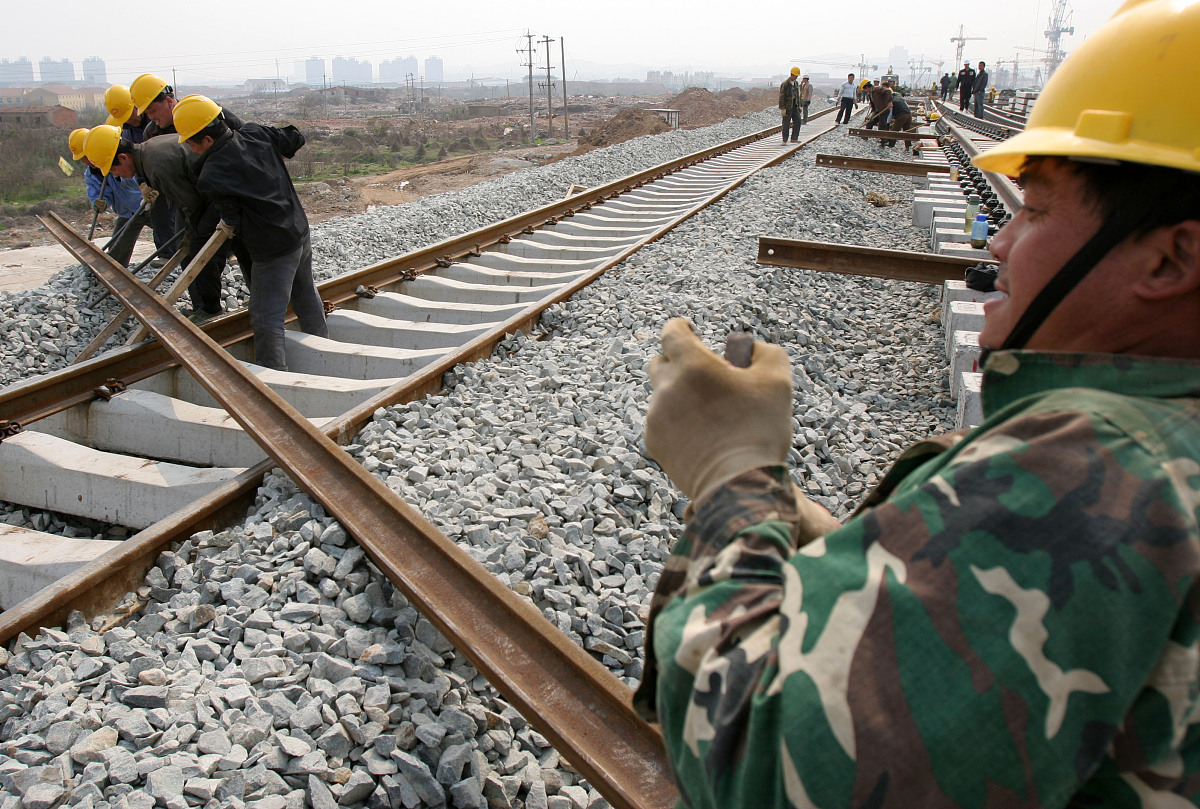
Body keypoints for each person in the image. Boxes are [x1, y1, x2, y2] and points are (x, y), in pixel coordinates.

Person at [635, 1, 1200, 806]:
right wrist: (870, 545)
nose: (998, 241)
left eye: (1035, 209)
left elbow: (764, 754)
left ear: (1174, 255)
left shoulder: (1106, 467)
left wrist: (731, 477)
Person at [175, 95, 328, 371]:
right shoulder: (255, 133)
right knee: (305, 294)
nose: (190, 149)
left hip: (273, 251)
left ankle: (274, 377)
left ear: (207, 141)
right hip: (298, 230)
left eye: (191, 143)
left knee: (265, 316)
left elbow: (234, 221)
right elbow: (295, 137)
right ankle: (325, 351)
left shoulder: (211, 175)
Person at [83, 125, 226, 318]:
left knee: (200, 247)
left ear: (123, 157)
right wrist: (144, 184)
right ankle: (201, 306)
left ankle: (211, 310)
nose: (115, 175)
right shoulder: (144, 152)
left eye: (114, 169)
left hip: (216, 194)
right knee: (187, 248)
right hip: (202, 192)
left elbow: (193, 204)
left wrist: (190, 233)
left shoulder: (157, 165)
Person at [70, 127, 145, 265]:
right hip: (127, 213)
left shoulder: (120, 160)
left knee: (167, 236)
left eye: (86, 156)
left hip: (146, 206)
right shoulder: (91, 174)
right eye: (82, 159)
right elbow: (99, 194)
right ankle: (117, 272)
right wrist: (101, 203)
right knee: (117, 248)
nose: (86, 161)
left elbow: (137, 178)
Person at [883, 83, 912, 149]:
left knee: (895, 130)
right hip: (909, 114)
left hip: (901, 115)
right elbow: (907, 106)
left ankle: (891, 144)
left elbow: (890, 114)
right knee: (907, 130)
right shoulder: (901, 99)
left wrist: (887, 123)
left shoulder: (891, 101)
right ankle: (908, 146)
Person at [778, 67, 802, 143]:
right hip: (787, 106)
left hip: (795, 106)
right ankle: (784, 140)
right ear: (792, 74)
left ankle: (794, 138)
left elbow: (797, 95)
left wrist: (799, 105)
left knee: (798, 121)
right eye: (795, 76)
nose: (796, 77)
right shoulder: (785, 84)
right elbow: (781, 97)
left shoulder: (796, 83)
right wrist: (783, 108)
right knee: (786, 123)